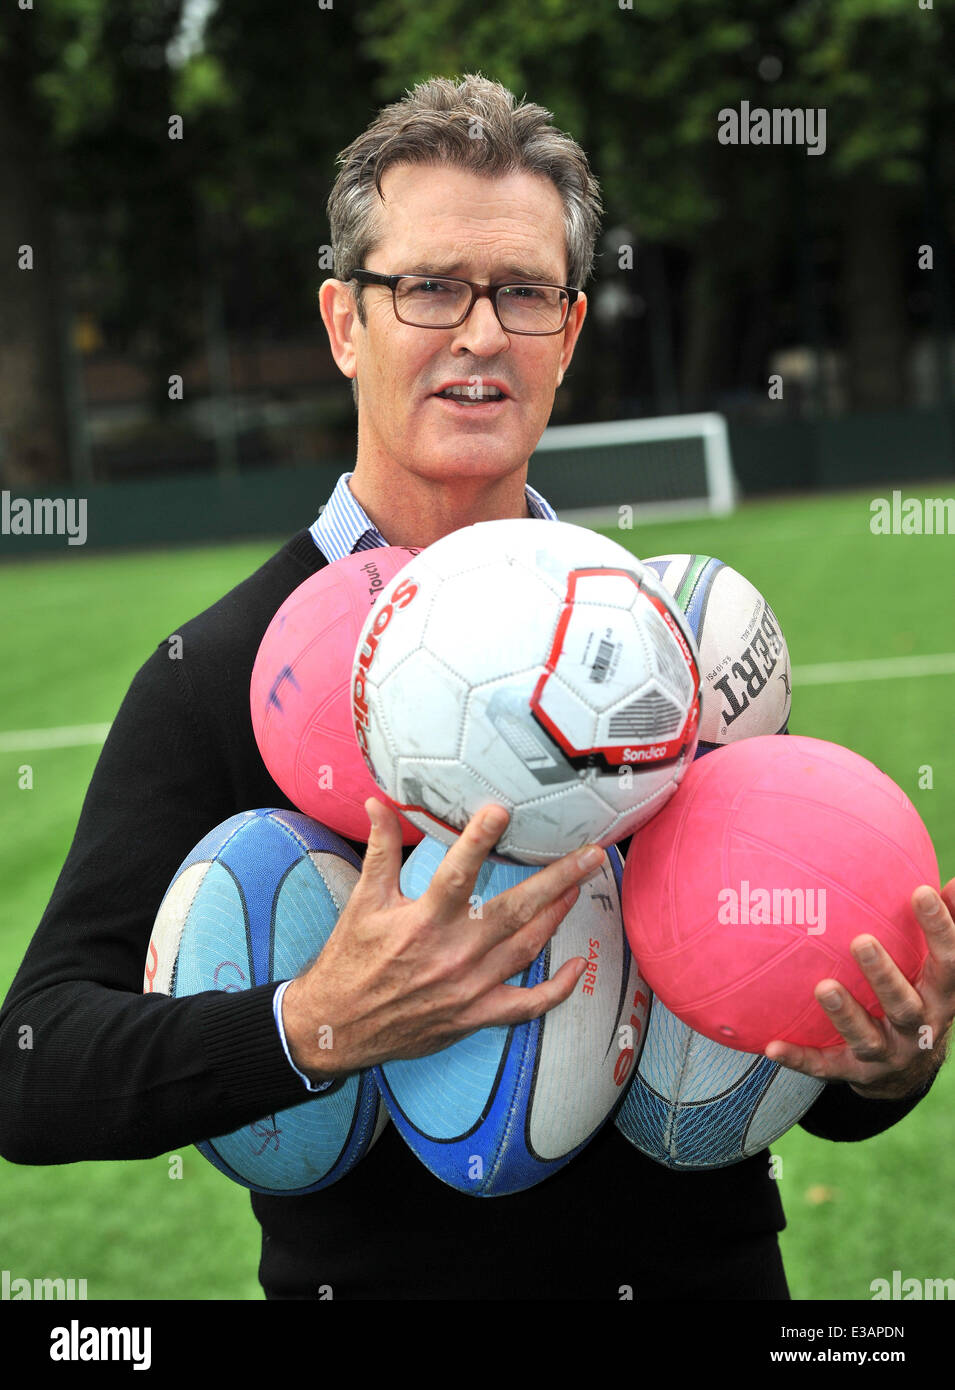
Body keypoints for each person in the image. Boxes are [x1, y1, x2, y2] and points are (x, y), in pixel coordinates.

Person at [1, 74, 952, 1302]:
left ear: (568, 330)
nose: (481, 331)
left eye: (523, 292)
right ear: (344, 321)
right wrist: (312, 1022)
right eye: (430, 288)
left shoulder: (668, 646)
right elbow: (36, 1068)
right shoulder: (225, 670)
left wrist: (887, 1062)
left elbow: (783, 1041)